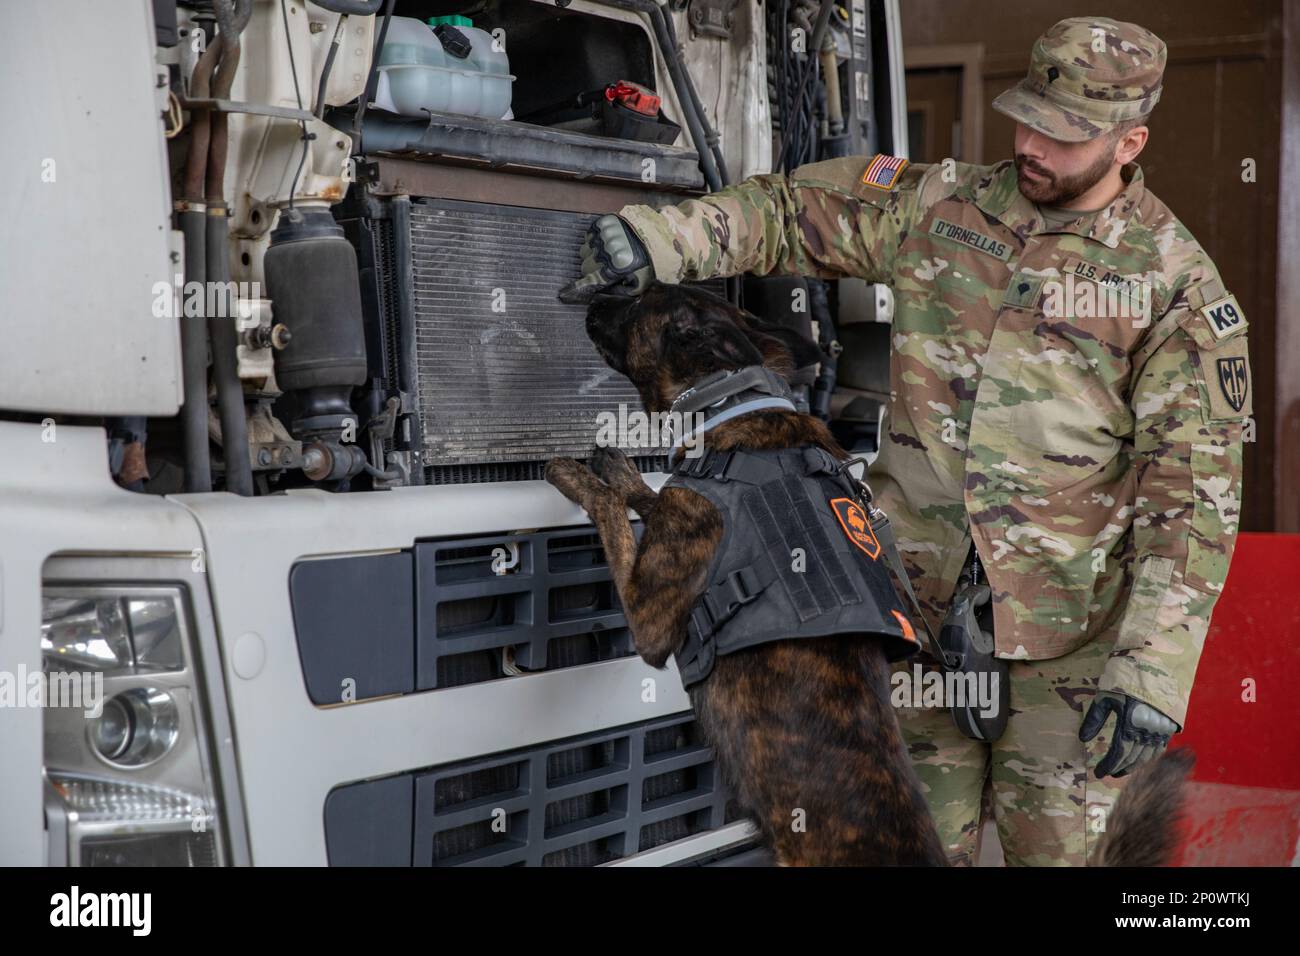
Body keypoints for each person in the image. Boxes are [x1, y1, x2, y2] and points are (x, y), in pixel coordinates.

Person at [566, 16, 1251, 865]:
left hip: (1068, 650)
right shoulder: (940, 205)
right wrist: (657, 239)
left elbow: (1193, 495)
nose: (1032, 143)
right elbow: (790, 211)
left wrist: (1152, 671)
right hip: (908, 618)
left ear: (1128, 141)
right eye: (1027, 115)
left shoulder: (1176, 286)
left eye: (1064, 134)